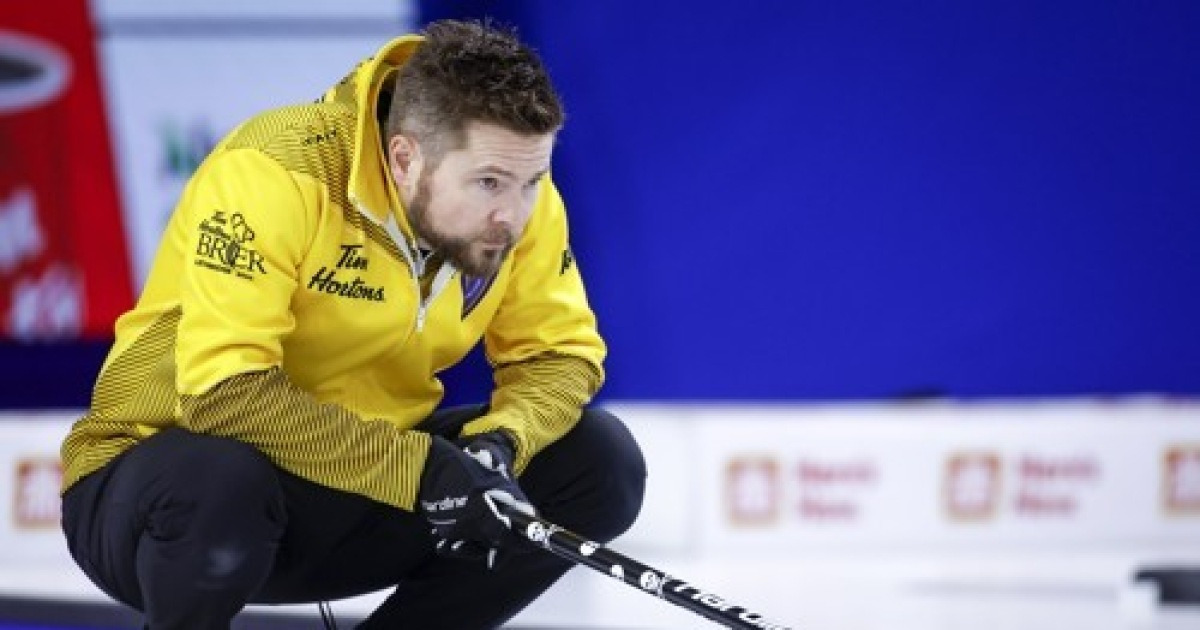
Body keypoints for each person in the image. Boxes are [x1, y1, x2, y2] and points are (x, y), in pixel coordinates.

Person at [59, 19, 646, 630]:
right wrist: (420, 471)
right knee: (219, 480)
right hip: (159, 501)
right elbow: (222, 395)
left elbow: (558, 356)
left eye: (532, 182)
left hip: (359, 489)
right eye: (489, 183)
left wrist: (499, 444)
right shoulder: (274, 170)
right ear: (405, 158)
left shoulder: (517, 205)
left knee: (599, 461)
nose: (513, 214)